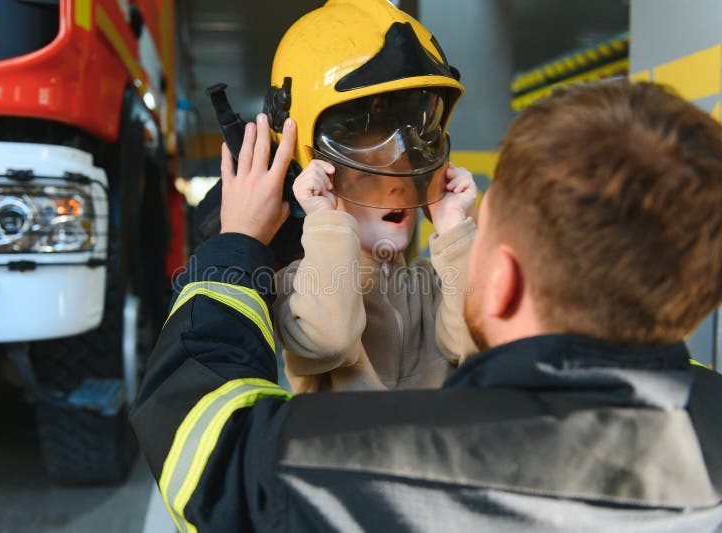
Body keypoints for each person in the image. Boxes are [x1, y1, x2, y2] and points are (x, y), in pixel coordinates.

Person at [131, 79, 722, 531]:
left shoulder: (387, 472)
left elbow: (206, 455)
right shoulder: (704, 419)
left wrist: (238, 244)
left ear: (504, 282)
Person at [270, 0, 477, 393]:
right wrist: (325, 221)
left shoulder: (431, 284)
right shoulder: (297, 288)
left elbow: (474, 344)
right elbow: (330, 339)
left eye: (408, 166)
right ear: (315, 173)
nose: (396, 186)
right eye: (369, 173)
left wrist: (455, 233)